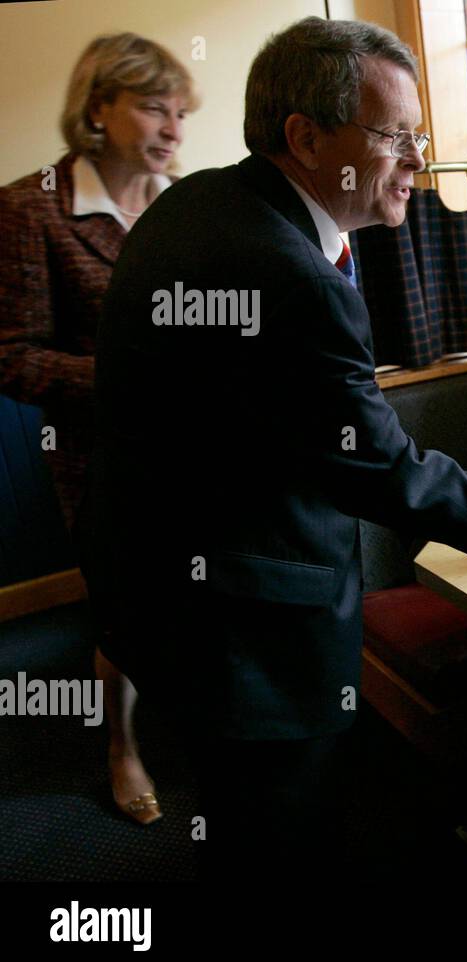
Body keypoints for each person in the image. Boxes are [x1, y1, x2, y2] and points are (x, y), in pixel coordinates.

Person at [89, 17, 467, 878]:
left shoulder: (199, 202)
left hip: (164, 592)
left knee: (238, 816)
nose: (421, 160)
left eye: (420, 136)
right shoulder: (290, 273)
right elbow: (382, 466)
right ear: (305, 137)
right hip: (249, 633)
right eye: (397, 136)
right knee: (282, 838)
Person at [0, 32, 197, 826]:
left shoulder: (182, 201)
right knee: (126, 606)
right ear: (97, 107)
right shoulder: (28, 207)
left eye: (182, 111)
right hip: (103, 454)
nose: (173, 127)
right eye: (154, 106)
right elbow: (10, 357)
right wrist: (124, 379)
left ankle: (192, 719)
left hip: (200, 444)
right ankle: (121, 746)